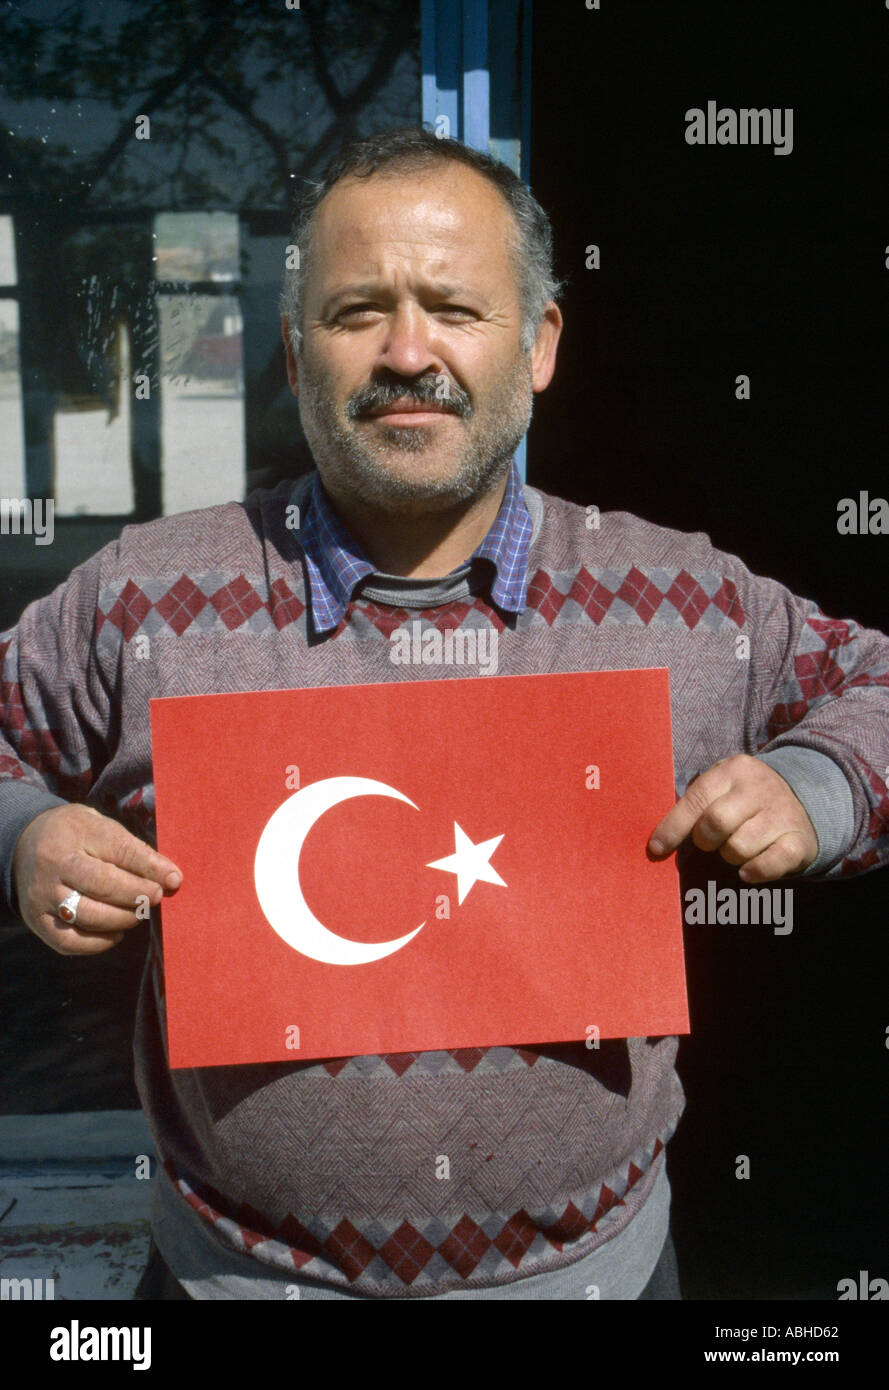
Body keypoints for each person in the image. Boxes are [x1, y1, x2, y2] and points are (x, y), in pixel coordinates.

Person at [1, 127, 887, 1301]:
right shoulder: (142, 597)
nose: (406, 350)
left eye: (454, 309)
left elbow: (873, 686)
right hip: (233, 1284)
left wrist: (814, 790)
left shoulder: (686, 597)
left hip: (595, 1283)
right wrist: (24, 837)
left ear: (538, 346)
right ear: (291, 348)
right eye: (358, 309)